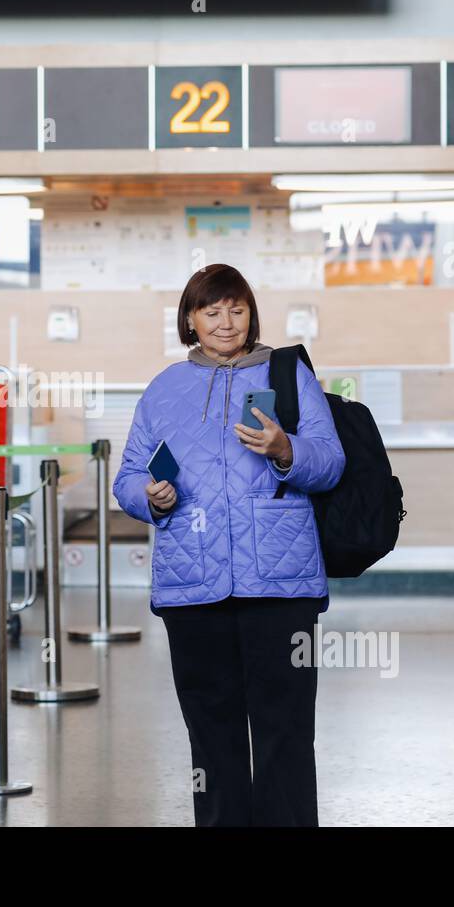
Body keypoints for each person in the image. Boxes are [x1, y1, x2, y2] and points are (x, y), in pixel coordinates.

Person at [112, 263, 345, 826]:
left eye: (236, 309)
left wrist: (285, 447)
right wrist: (151, 496)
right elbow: (126, 480)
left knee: (285, 730)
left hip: (281, 583)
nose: (225, 321)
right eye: (211, 311)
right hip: (192, 589)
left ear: (251, 313)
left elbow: (331, 462)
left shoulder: (289, 378)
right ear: (190, 319)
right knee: (211, 735)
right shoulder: (165, 388)